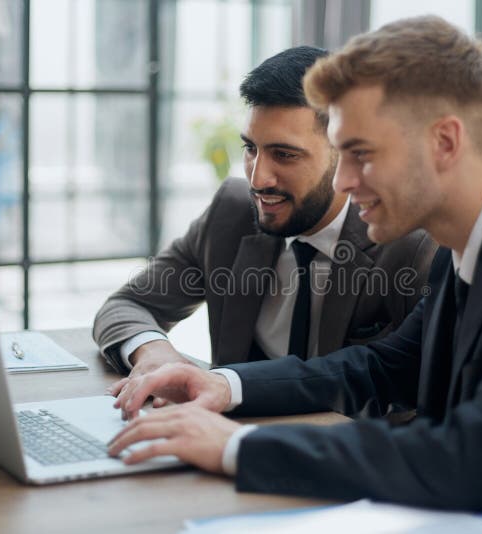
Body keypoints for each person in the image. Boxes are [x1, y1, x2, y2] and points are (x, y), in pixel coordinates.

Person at [106, 17, 482, 531]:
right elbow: (383, 367)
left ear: (444, 142)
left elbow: (475, 458)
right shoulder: (480, 232)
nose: (344, 181)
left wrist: (240, 448)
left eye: (361, 154)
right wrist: (226, 385)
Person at [93, 46, 436, 417]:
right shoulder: (233, 213)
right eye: (251, 148)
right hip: (217, 437)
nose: (258, 178)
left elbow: (421, 391)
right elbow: (128, 304)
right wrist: (153, 351)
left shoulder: (410, 243)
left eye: (284, 154)